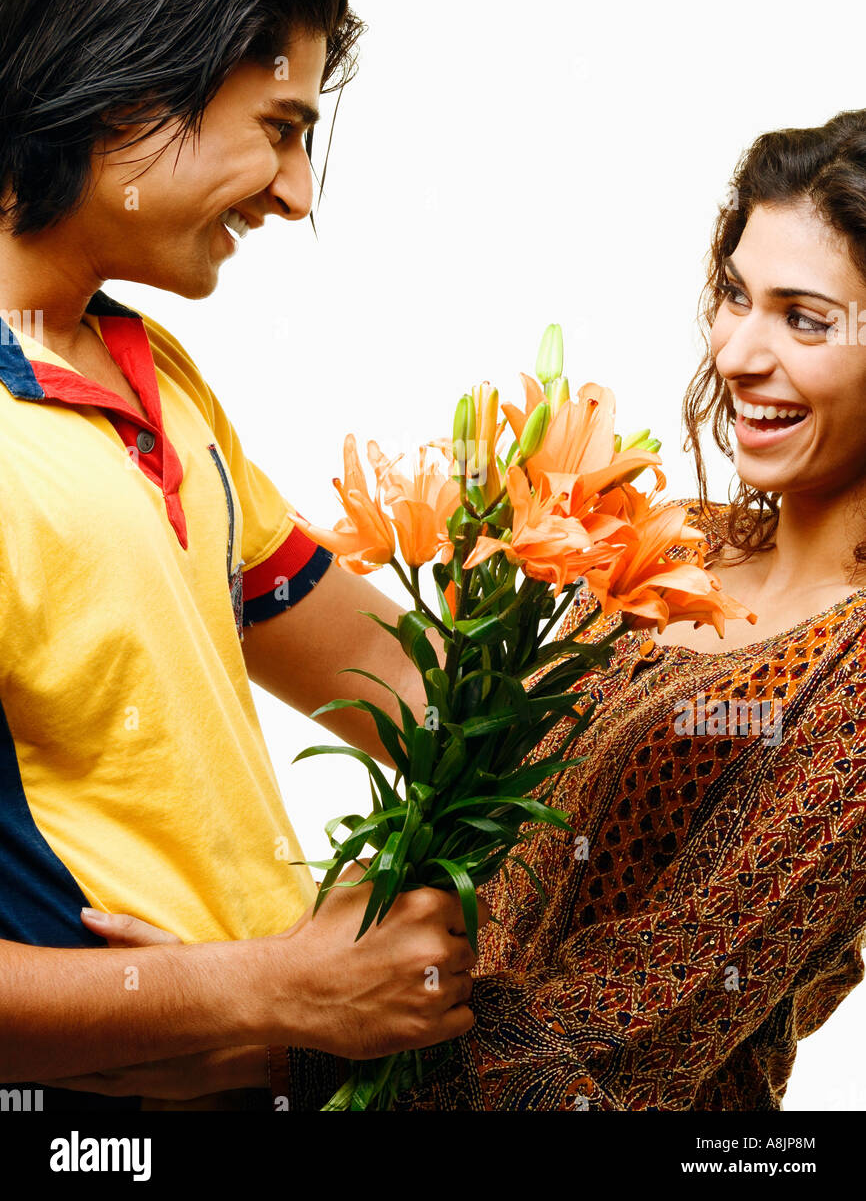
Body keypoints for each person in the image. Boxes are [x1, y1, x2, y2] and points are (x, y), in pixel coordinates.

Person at [115, 105, 866, 1110]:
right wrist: (278, 978)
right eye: (732, 295)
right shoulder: (665, 536)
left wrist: (239, 1021)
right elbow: (492, 828)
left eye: (801, 317)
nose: (735, 351)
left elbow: (628, 1027)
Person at [0, 0, 484, 1112]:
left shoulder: (144, 368)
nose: (293, 193)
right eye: (279, 130)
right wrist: (269, 990)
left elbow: (414, 692)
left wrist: (720, 650)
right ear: (131, 90)